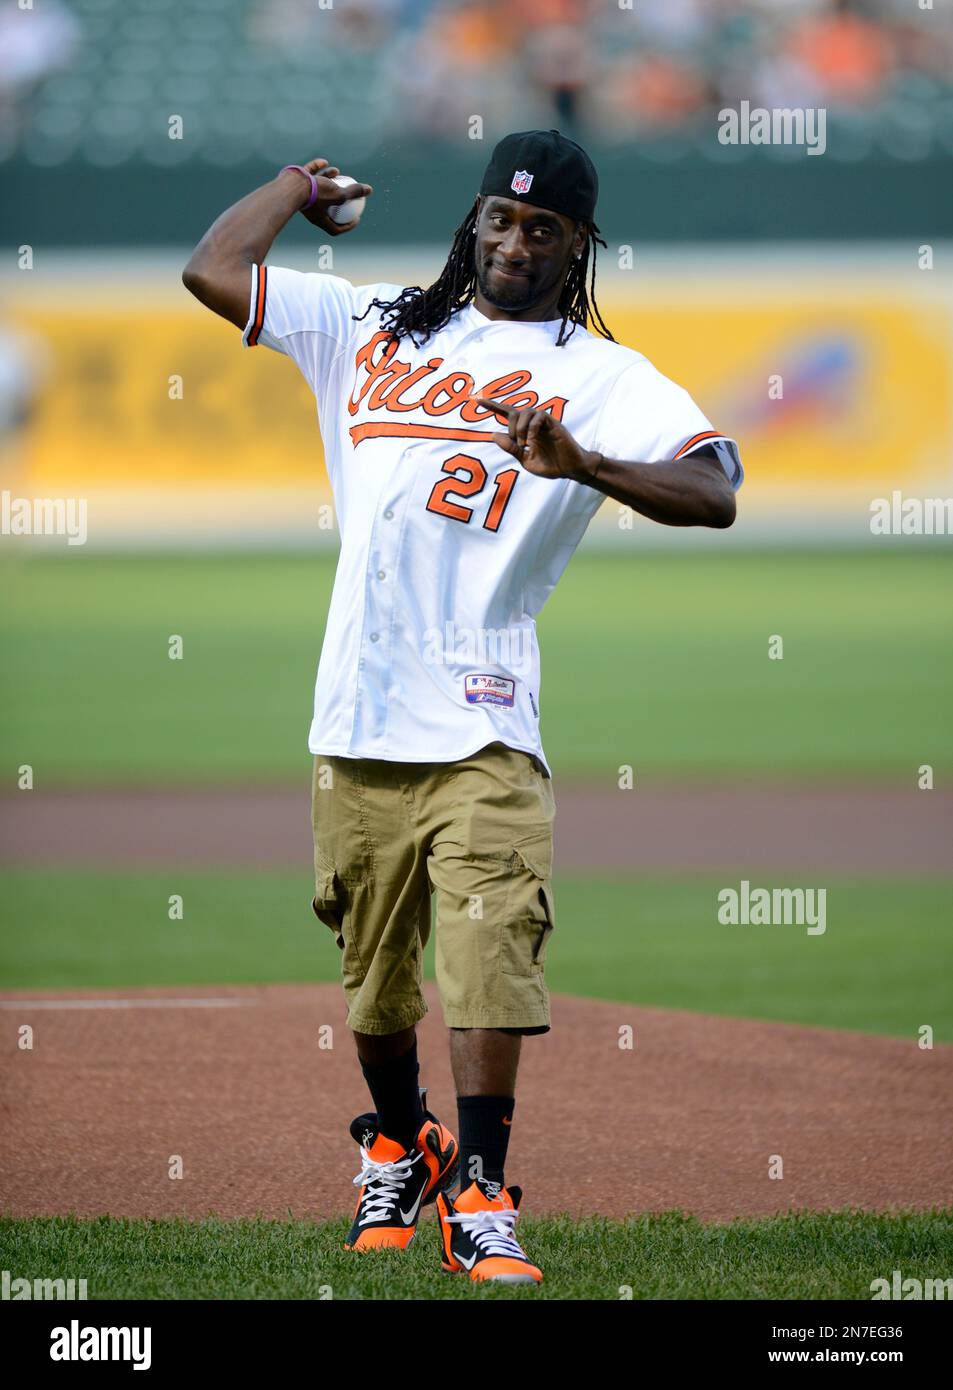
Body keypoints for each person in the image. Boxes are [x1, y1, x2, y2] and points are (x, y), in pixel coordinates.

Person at [182, 129, 743, 1285]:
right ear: (472, 220)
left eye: (542, 229)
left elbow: (713, 487)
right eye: (499, 217)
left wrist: (584, 462)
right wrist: (297, 185)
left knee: (490, 960)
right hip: (354, 710)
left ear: (578, 245)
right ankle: (400, 1139)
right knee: (373, 978)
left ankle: (481, 1194)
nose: (512, 242)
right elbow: (212, 271)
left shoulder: (601, 375)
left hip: (486, 714)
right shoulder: (376, 320)